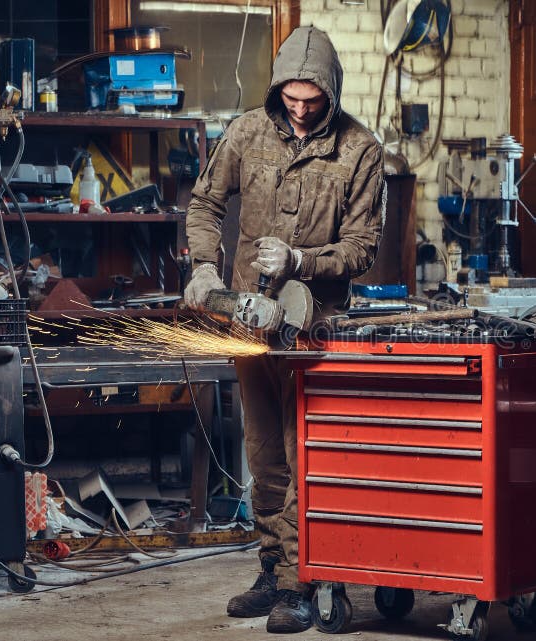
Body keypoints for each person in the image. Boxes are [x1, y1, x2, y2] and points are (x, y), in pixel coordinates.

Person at [183, 26, 386, 634]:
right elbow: (205, 205)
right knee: (264, 452)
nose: (300, 112)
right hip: (249, 320)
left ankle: (306, 581)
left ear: (331, 92)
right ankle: (272, 567)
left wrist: (301, 262)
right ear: (278, 92)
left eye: (312, 102)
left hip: (310, 330)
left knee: (306, 455)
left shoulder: (360, 150)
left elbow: (364, 247)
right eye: (291, 100)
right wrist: (202, 265)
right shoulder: (247, 132)